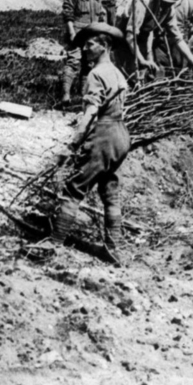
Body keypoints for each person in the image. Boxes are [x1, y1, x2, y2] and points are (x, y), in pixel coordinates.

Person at [51, 22, 130, 258]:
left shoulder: (96, 74)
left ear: (104, 46)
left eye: (90, 44)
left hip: (104, 135)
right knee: (109, 191)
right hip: (121, 136)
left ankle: (53, 244)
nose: (85, 49)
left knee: (74, 189)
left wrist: (71, 146)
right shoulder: (118, 72)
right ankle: (114, 249)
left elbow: (90, 115)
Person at [122, 0, 193, 77]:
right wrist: (142, 60)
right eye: (166, 1)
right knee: (131, 72)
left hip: (144, 35)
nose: (168, 4)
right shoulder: (143, 3)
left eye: (171, 2)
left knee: (151, 70)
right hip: (125, 34)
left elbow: (177, 38)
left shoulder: (169, 9)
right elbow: (130, 37)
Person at [60, 0, 105, 105]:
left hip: (93, 34)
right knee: (73, 61)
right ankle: (65, 95)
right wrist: (72, 31)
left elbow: (101, 15)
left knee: (88, 64)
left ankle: (83, 95)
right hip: (78, 31)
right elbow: (68, 14)